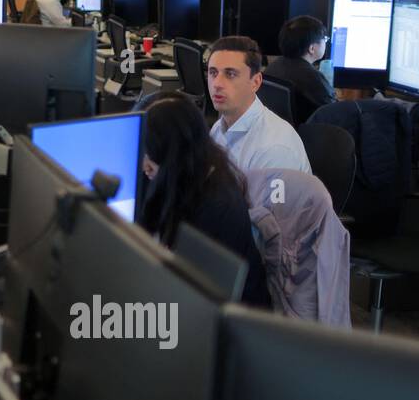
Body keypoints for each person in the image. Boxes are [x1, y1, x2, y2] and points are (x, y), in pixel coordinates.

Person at [139, 92, 271, 308]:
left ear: (173, 151)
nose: (145, 165)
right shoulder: (191, 171)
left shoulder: (216, 205)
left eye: (151, 153)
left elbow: (190, 299)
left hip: (232, 321)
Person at [206, 36, 311, 173]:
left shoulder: (274, 148)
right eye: (213, 73)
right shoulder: (218, 128)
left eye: (230, 74)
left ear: (255, 82)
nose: (217, 84)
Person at [263, 16, 336, 125]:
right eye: (324, 39)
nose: (326, 42)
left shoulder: (274, 65)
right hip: (308, 136)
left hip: (280, 132)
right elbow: (334, 112)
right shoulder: (311, 78)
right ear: (312, 48)